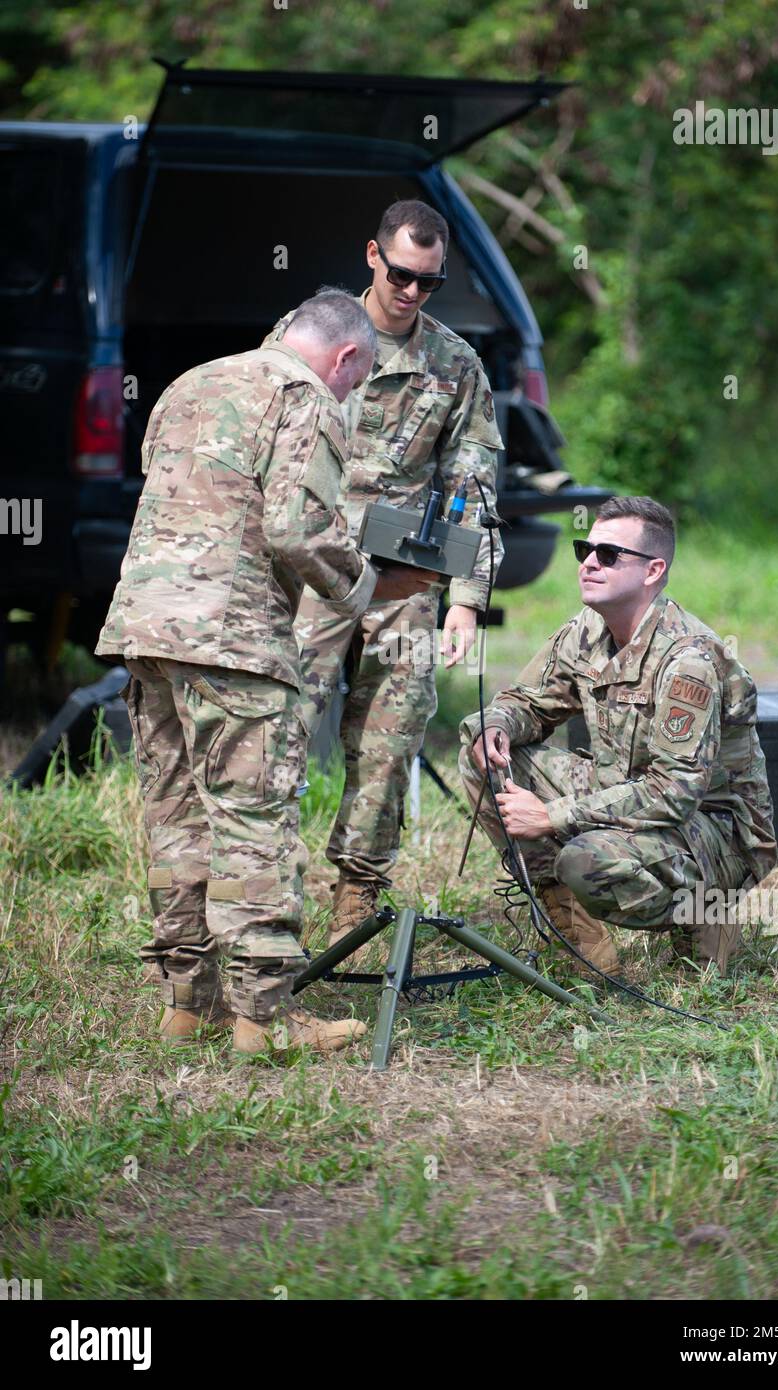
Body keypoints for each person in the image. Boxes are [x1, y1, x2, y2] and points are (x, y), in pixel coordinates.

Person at [96, 288, 431, 1053]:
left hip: (145, 627)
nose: (351, 392)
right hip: (232, 637)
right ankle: (263, 1018)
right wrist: (369, 584)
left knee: (176, 817)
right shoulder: (307, 397)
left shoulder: (192, 382)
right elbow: (293, 528)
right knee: (254, 825)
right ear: (346, 357)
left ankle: (188, 1002)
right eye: (358, 378)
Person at [264, 200, 503, 945]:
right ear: (372, 255)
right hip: (314, 566)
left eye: (428, 282)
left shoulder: (455, 364)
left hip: (403, 579)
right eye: (400, 274)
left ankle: (356, 896)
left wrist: (466, 599)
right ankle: (263, 895)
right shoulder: (313, 336)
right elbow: (264, 441)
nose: (410, 292)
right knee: (279, 726)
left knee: (391, 735)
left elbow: (471, 484)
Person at [460, 495, 777, 975]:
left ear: (652, 571)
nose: (589, 562)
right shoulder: (587, 630)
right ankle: (578, 936)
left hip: (710, 830)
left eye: (608, 555)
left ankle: (706, 912)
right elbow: (529, 702)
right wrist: (499, 725)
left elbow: (673, 793)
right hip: (622, 789)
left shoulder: (686, 661)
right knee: (481, 754)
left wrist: (552, 815)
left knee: (584, 859)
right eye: (585, 550)